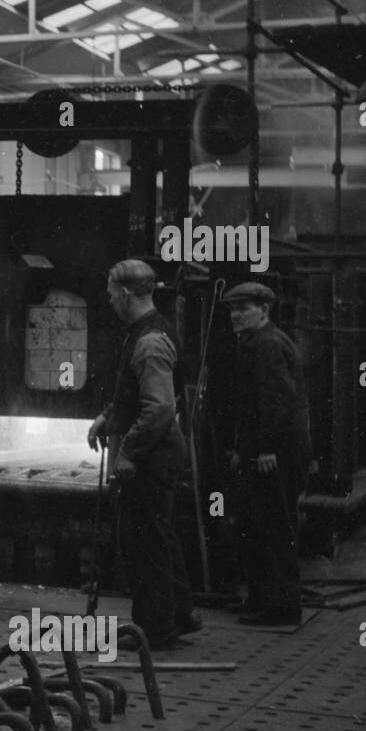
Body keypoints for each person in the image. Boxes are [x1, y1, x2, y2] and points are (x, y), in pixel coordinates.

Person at [86, 259, 200, 650]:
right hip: (158, 452)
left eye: (111, 295)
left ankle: (156, 630)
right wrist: (108, 417)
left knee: (144, 542)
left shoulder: (149, 341)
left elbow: (159, 408)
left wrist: (129, 454)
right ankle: (179, 615)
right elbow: (134, 395)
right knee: (160, 536)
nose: (110, 302)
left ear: (126, 294)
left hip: (152, 457)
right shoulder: (143, 331)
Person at [222, 281, 311, 627]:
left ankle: (282, 606)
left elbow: (276, 402)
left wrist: (266, 449)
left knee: (274, 526)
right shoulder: (256, 343)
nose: (236, 315)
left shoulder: (268, 345)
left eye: (243, 309)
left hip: (277, 453)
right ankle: (262, 599)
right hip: (263, 451)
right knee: (256, 524)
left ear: (264, 310)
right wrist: (243, 451)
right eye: (232, 309)